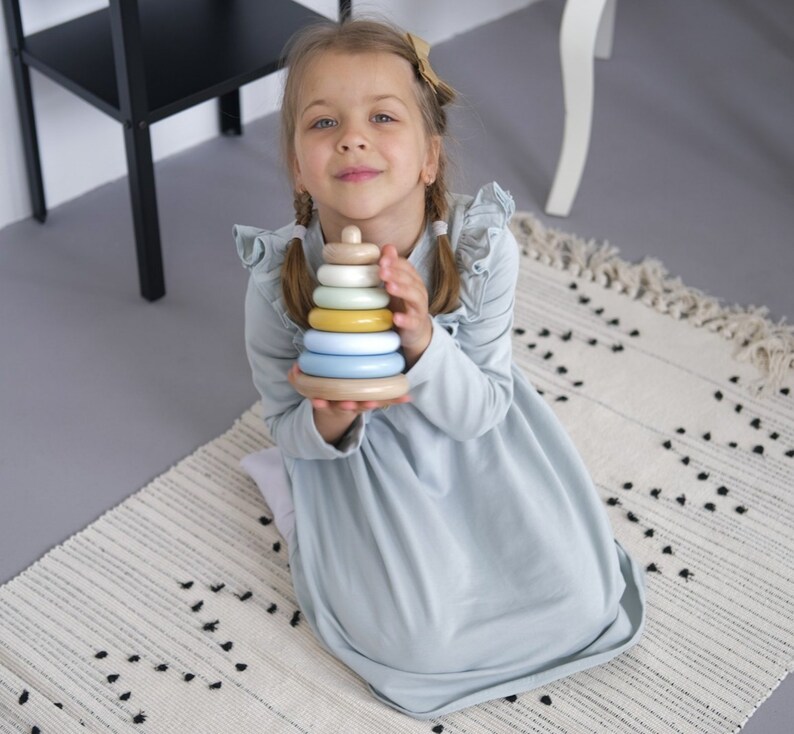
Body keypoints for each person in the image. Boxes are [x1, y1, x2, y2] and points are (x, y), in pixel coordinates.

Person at [235, 18, 645, 720]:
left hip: (475, 446)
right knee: (415, 637)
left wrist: (424, 343)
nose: (352, 137)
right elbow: (284, 417)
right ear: (299, 166)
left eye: (382, 116)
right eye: (324, 120)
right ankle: (312, 516)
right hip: (370, 474)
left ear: (429, 158)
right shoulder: (281, 279)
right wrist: (330, 417)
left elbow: (482, 409)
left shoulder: (482, 255)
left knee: (579, 594)